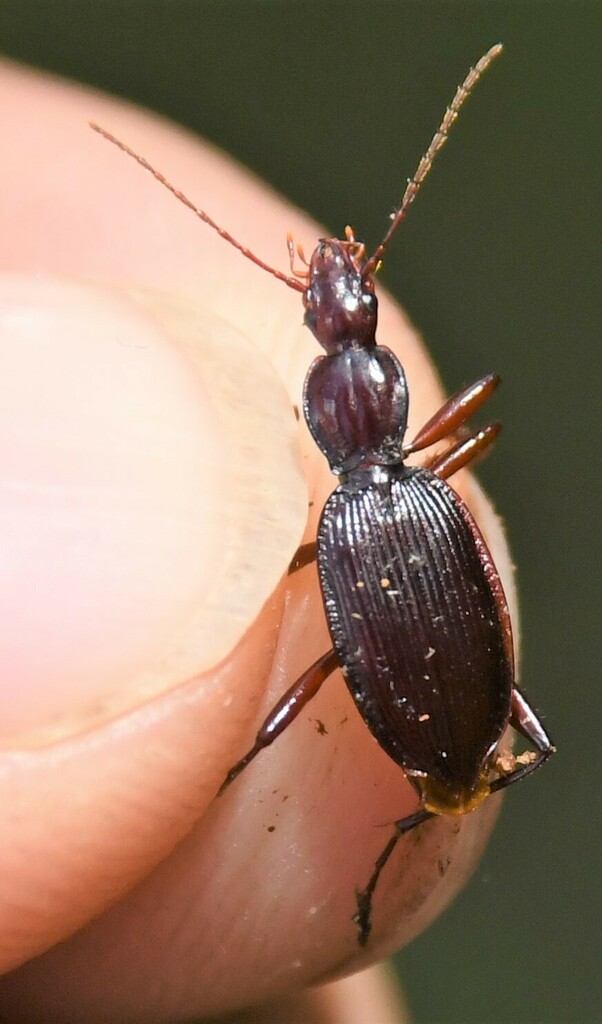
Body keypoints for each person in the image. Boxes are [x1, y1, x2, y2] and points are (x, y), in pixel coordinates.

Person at [0, 58, 513, 1023]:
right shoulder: (413, 481)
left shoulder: (337, 521)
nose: (336, 296)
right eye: (338, 308)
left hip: (421, 684)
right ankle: (394, 824)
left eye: (340, 307)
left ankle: (369, 823)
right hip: (459, 699)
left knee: (286, 710)